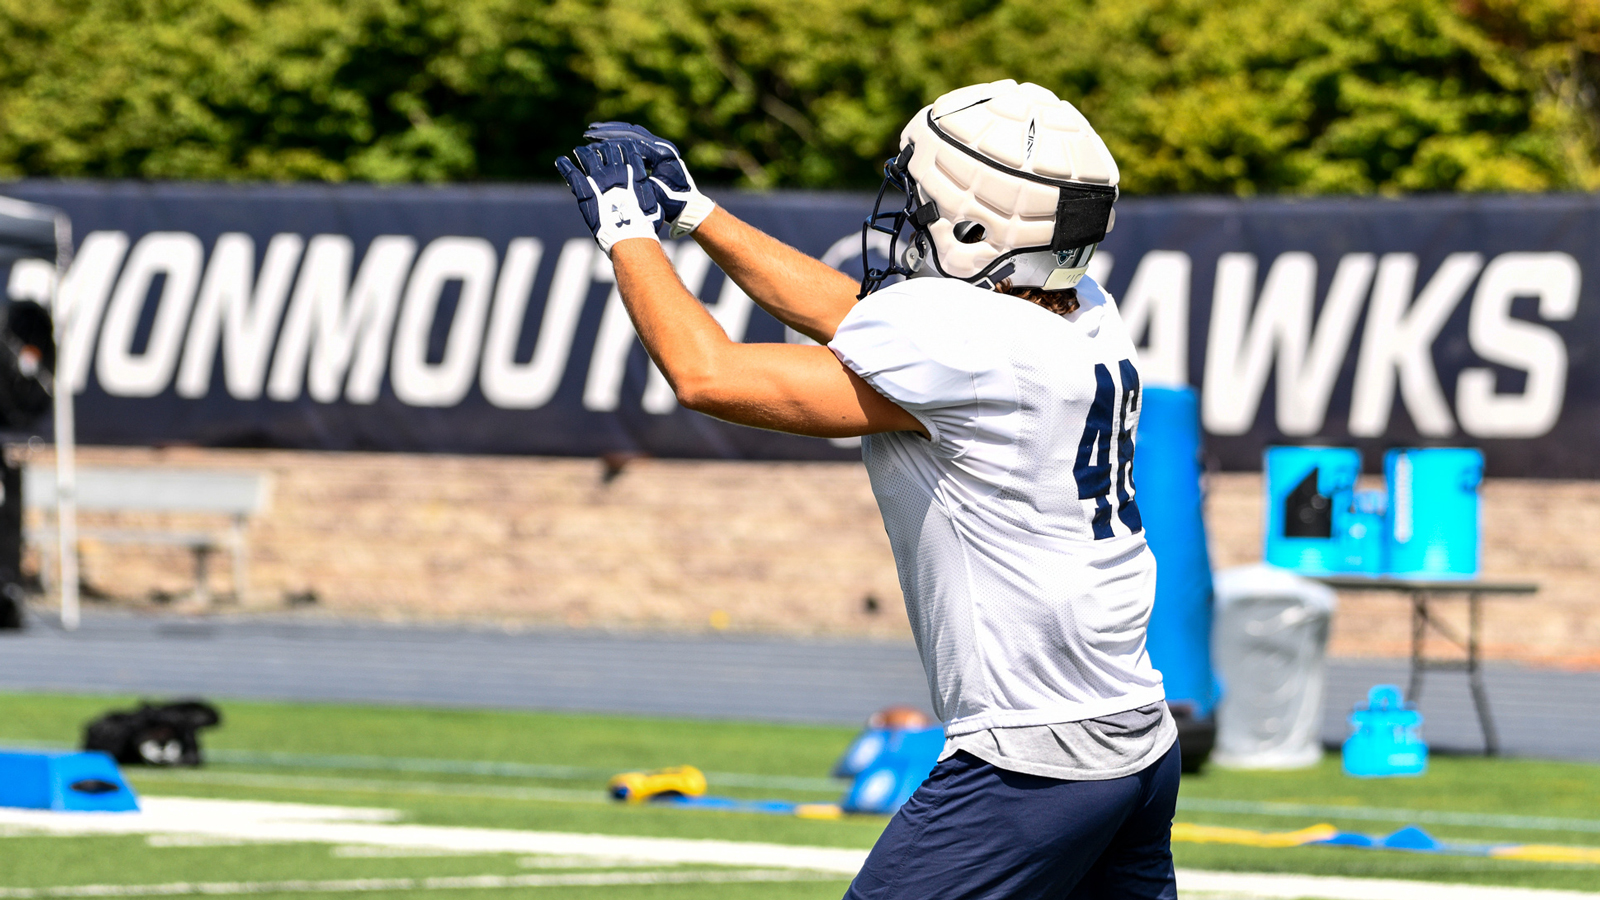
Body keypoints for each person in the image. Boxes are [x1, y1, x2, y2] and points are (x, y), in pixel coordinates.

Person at [556, 79, 1178, 900]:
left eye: (920, 201)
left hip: (1033, 757)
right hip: (1135, 732)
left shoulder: (973, 344)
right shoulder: (1082, 311)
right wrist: (695, 212)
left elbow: (709, 375)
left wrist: (627, 232)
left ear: (973, 226)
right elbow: (855, 316)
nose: (904, 217)